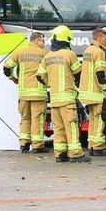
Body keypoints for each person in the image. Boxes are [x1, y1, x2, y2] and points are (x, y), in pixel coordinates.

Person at [36, 25, 89, 162]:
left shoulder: (47, 57)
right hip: (67, 99)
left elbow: (40, 76)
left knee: (58, 128)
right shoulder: (69, 54)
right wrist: (76, 84)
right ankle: (76, 154)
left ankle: (60, 154)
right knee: (71, 127)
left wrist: (50, 84)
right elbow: (78, 73)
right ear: (66, 40)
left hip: (54, 100)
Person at [3, 32, 49, 153]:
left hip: (23, 93)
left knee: (25, 118)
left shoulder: (19, 52)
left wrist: (12, 78)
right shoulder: (45, 54)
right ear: (37, 40)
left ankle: (24, 144)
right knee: (37, 119)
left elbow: (6, 68)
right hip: (38, 93)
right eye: (43, 41)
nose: (43, 44)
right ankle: (37, 145)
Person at [79, 28, 106, 156]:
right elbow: (100, 73)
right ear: (99, 37)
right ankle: (98, 147)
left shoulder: (88, 50)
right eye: (105, 37)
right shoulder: (99, 52)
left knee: (92, 119)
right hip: (97, 92)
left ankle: (92, 144)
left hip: (87, 92)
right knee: (99, 120)